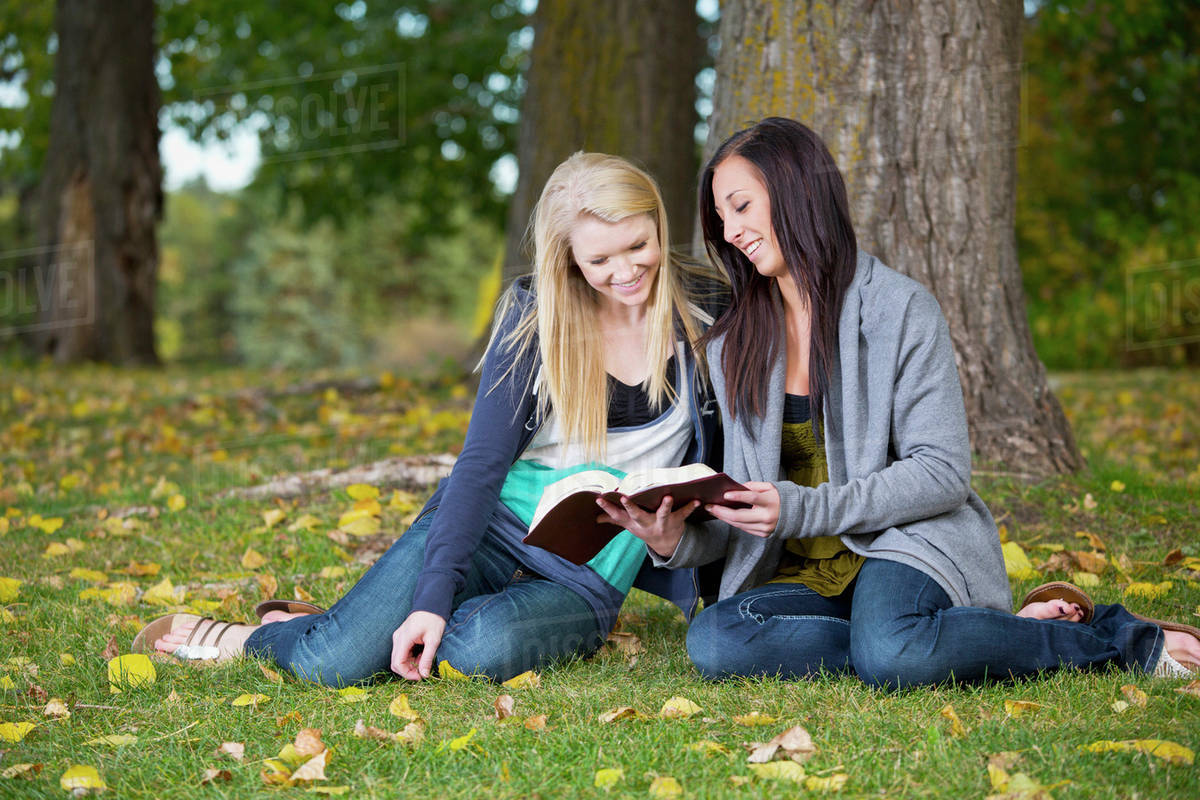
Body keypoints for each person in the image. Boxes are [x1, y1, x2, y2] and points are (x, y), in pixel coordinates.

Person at [636, 116, 1200, 689]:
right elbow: (747, 506)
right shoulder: (737, 340)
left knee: (892, 652)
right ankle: (960, 635)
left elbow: (941, 473)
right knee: (715, 640)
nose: (730, 231)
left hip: (905, 542)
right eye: (722, 217)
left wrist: (802, 508)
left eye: (742, 206)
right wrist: (676, 541)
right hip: (807, 570)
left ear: (797, 191)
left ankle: (1118, 637)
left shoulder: (900, 310)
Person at [133, 152, 726, 684]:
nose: (625, 270)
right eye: (599, 258)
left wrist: (678, 544)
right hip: (494, 527)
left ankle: (358, 623)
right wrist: (429, 599)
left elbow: (728, 462)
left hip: (585, 576)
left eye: (637, 246)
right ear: (568, 257)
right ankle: (271, 636)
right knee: (331, 665)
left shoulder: (708, 310)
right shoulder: (535, 319)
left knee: (478, 653)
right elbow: (481, 465)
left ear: (659, 228)